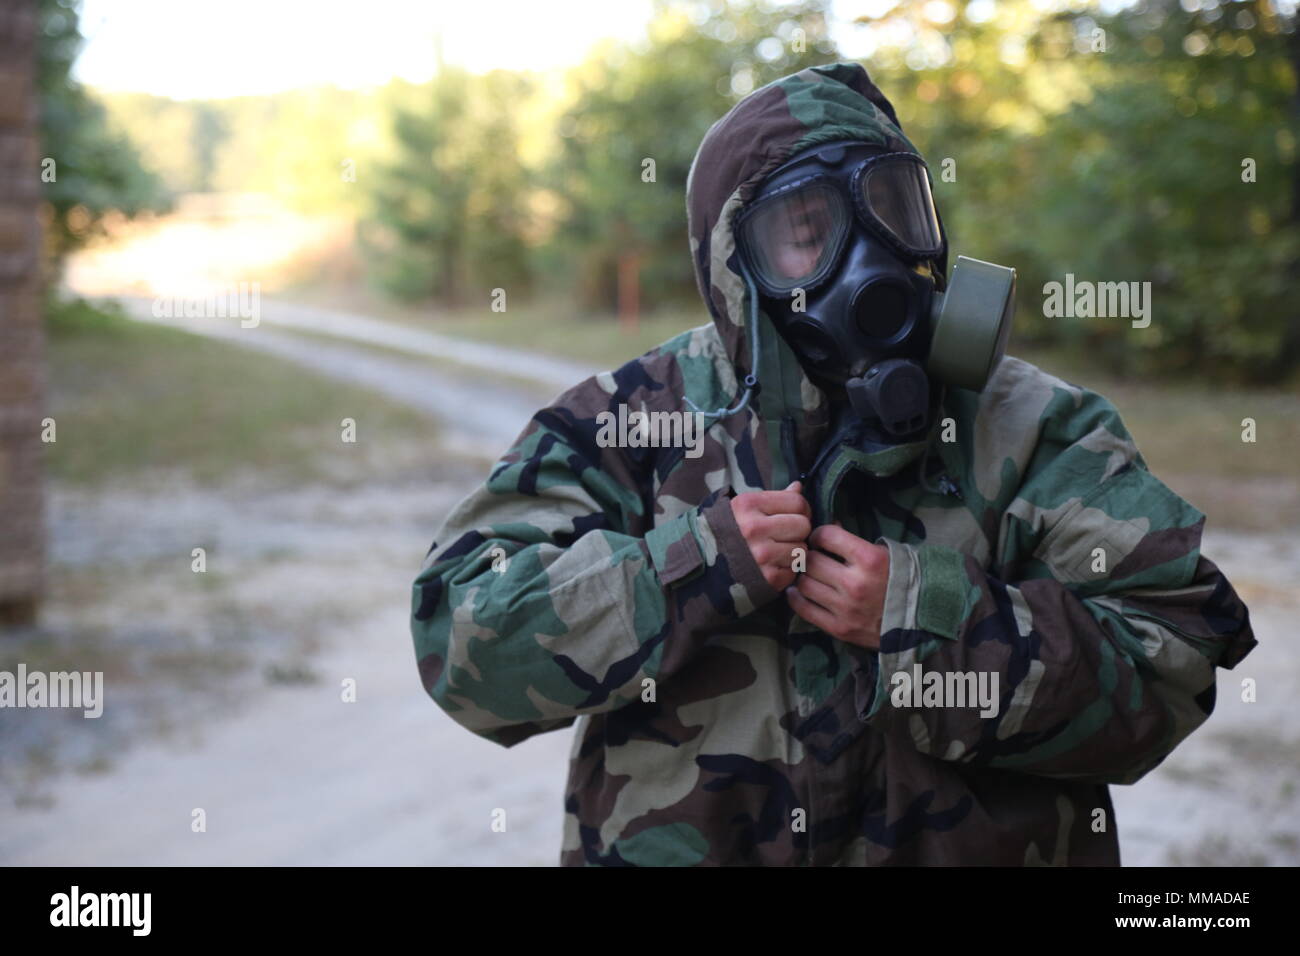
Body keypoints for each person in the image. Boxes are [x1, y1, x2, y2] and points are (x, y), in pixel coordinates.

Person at [410, 62, 1257, 866]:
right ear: (737, 273)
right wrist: (688, 570)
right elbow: (461, 643)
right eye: (808, 235)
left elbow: (1175, 660)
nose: (872, 259)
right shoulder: (636, 419)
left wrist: (934, 620)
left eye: (894, 211)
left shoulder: (1029, 425)